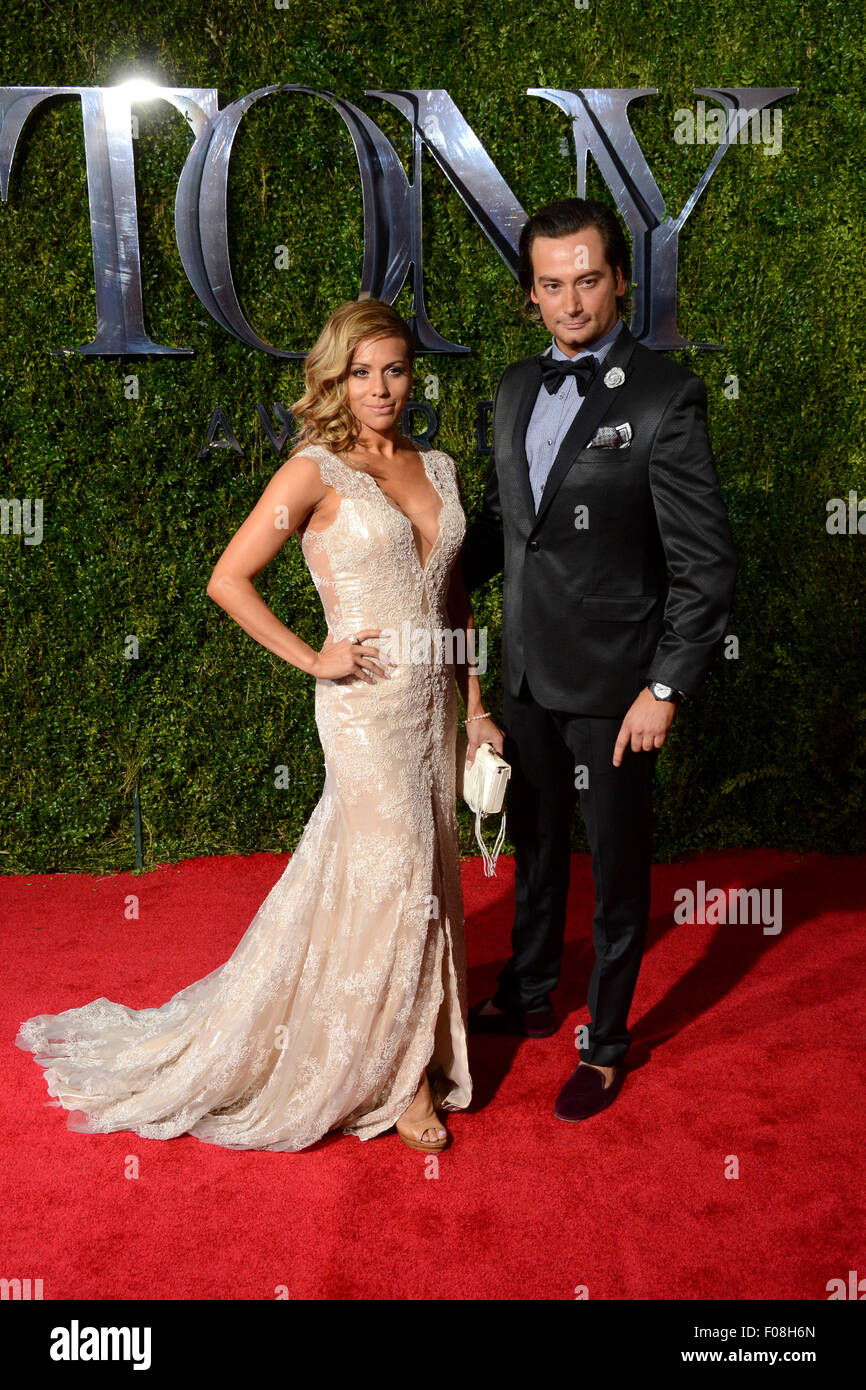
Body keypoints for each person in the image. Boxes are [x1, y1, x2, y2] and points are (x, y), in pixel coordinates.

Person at [15, 298, 504, 1154]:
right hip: (364, 711)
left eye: (393, 368)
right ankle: (403, 1081)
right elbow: (229, 579)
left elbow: (455, 597)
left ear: (411, 372)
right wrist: (316, 658)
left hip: (433, 709)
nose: (380, 387)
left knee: (421, 871)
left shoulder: (441, 467)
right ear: (336, 379)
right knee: (396, 878)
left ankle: (408, 1040)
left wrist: (476, 709)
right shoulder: (313, 472)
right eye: (361, 373)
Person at [460, 198, 737, 1121]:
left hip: (620, 688)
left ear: (619, 279)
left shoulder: (666, 395)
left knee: (615, 873)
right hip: (529, 674)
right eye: (551, 284)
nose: (571, 301)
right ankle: (531, 994)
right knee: (536, 853)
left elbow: (705, 562)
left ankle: (608, 1043)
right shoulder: (510, 388)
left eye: (587, 279)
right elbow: (507, 529)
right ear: (529, 295)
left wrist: (665, 685)